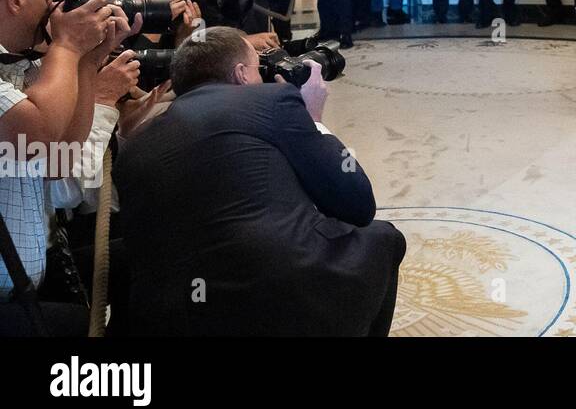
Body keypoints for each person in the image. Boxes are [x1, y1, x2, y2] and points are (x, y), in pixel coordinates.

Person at [114, 27, 407, 336]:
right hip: (274, 297)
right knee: (383, 238)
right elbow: (357, 203)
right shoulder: (272, 99)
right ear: (241, 74)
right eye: (258, 67)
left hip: (167, 316)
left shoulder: (135, 144)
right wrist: (314, 121)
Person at [0, 0, 130, 335]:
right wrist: (68, 46)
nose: (56, 6)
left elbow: (56, 163)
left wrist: (88, 62)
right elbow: (37, 139)